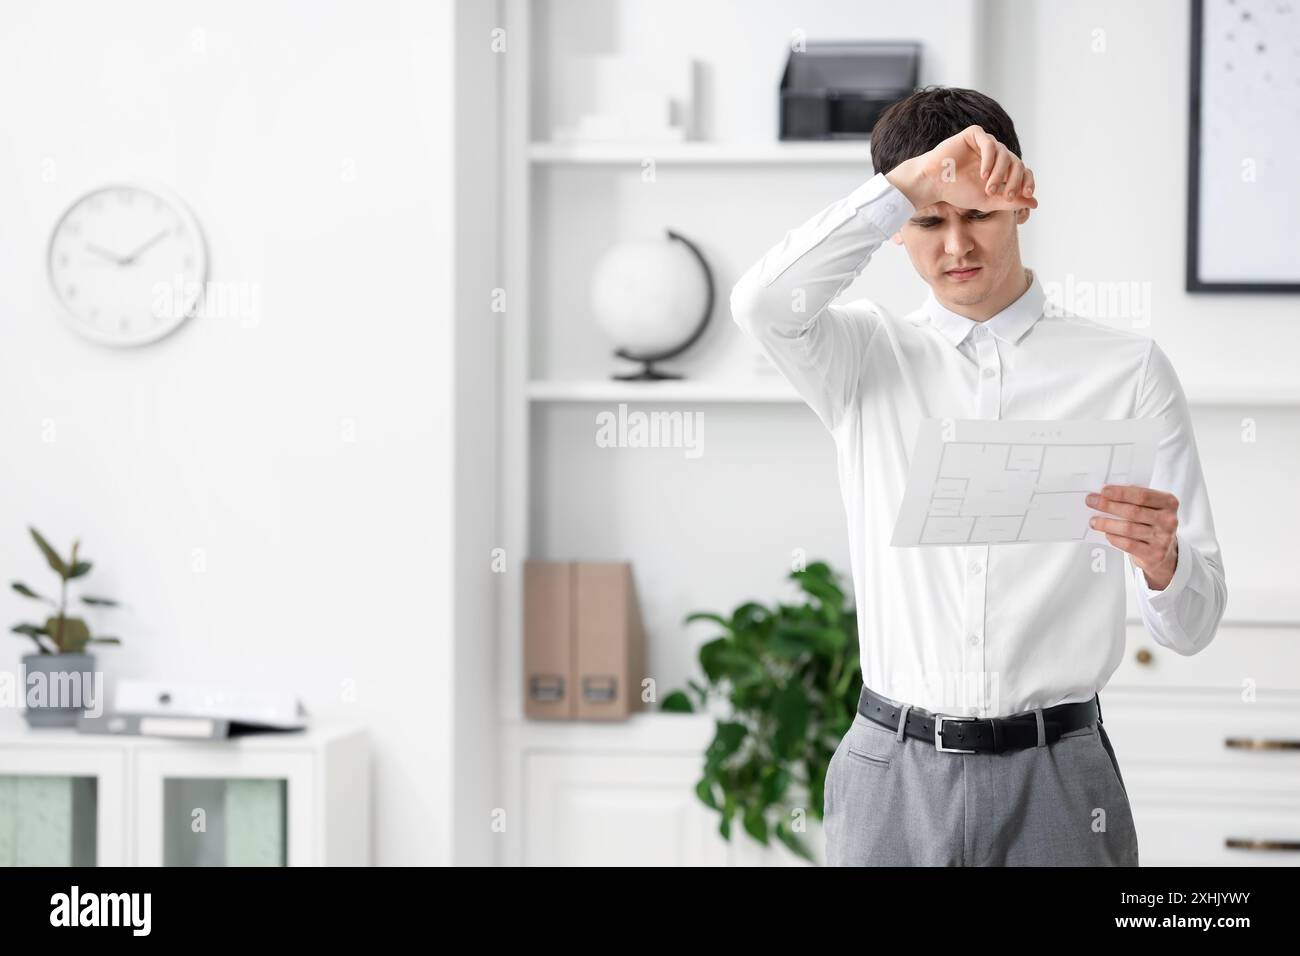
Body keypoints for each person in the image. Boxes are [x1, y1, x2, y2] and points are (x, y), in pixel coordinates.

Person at [729, 87, 1227, 866]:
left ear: (1020, 205)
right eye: (930, 220)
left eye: (978, 216)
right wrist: (907, 185)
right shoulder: (861, 359)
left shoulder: (1126, 370)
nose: (957, 244)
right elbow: (762, 303)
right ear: (899, 230)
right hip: (889, 775)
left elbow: (1192, 627)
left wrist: (1166, 564)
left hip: (1061, 779)